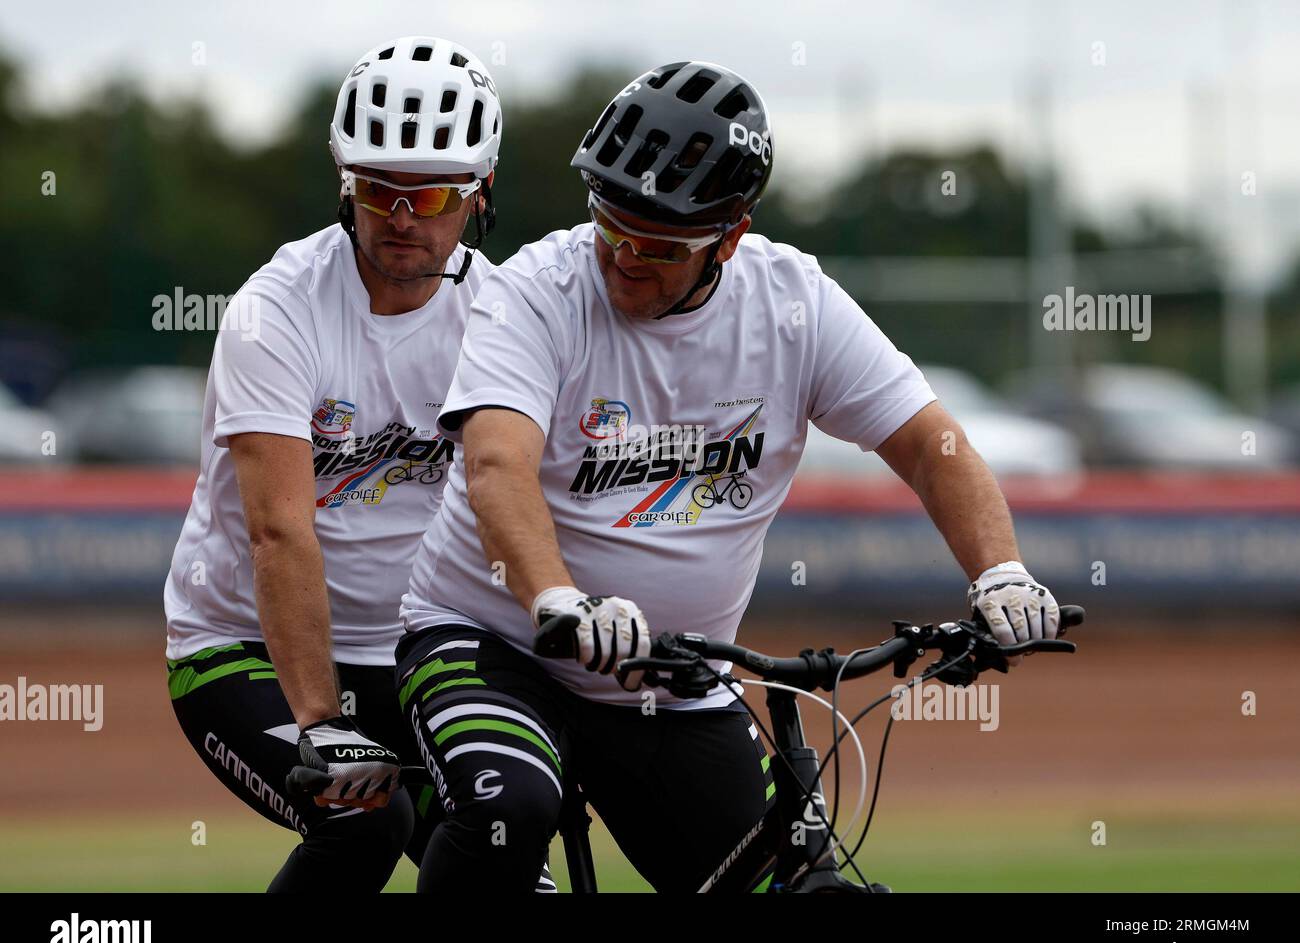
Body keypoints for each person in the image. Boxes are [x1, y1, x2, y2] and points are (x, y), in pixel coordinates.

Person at [396, 60, 1060, 893]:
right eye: (613, 229)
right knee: (511, 811)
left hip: (670, 678)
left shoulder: (795, 305)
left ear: (731, 236)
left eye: (660, 247)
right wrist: (557, 598)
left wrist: (999, 570)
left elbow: (933, 446)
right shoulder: (539, 289)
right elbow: (497, 462)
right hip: (492, 642)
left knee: (788, 877)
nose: (625, 260)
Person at [164, 35, 505, 892]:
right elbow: (279, 530)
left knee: (504, 848)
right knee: (363, 817)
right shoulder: (273, 310)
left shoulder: (502, 315)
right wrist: (320, 720)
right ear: (343, 182)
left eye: (427, 193)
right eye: (375, 188)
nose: (400, 216)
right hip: (242, 648)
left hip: (411, 652)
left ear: (479, 192)